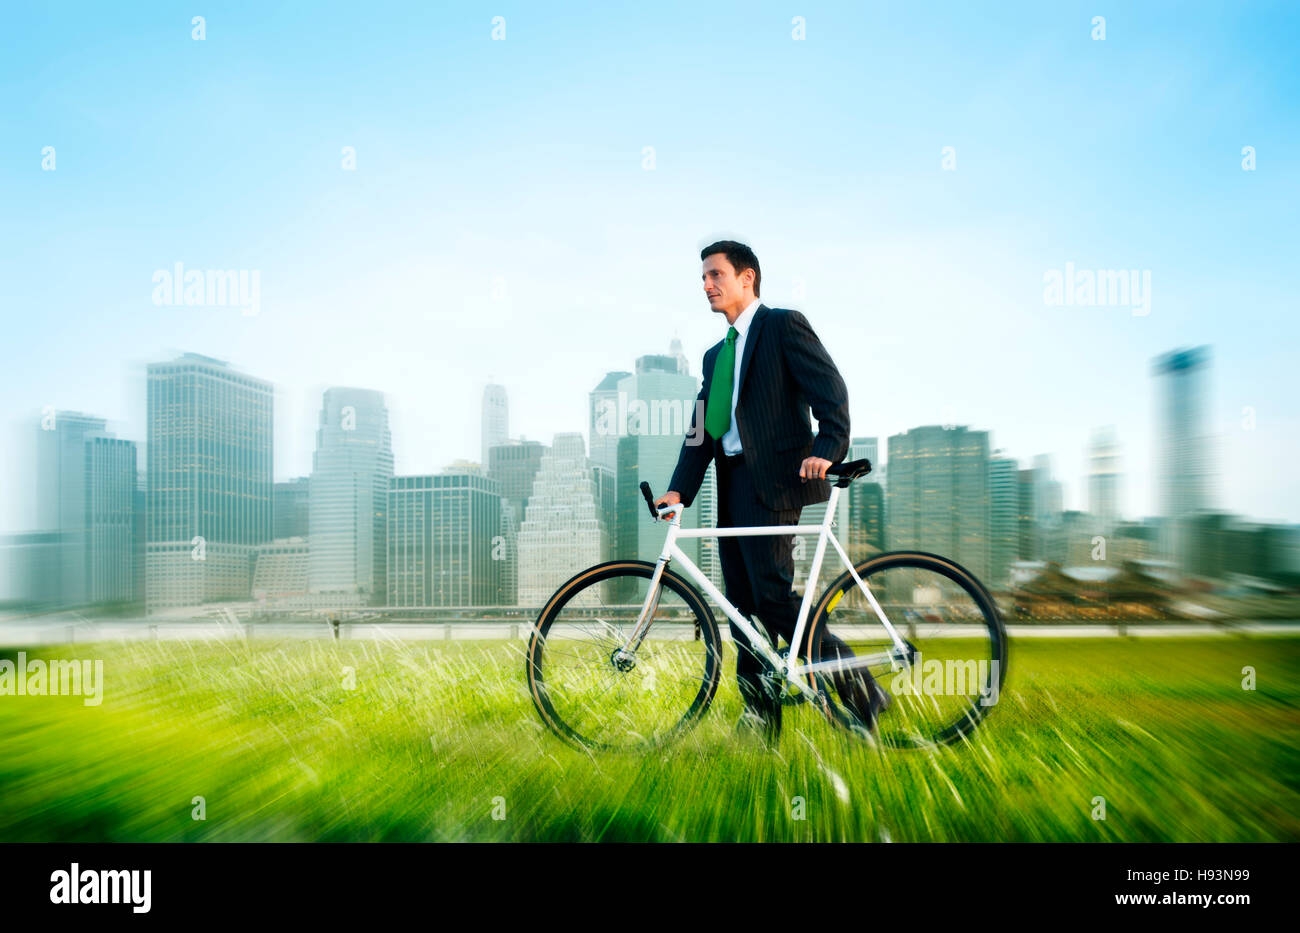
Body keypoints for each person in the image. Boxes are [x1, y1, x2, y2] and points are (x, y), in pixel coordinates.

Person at [654, 240, 890, 747]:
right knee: (741, 607)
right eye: (702, 278)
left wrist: (827, 450)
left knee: (773, 600)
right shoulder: (715, 356)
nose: (706, 285)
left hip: (777, 482)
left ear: (748, 278)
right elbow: (702, 430)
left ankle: (863, 694)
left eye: (715, 274)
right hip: (731, 485)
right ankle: (762, 716)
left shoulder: (782, 326)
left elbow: (832, 392)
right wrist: (679, 489)